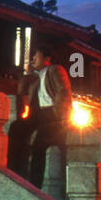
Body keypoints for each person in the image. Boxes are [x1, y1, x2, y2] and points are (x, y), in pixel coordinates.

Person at [7, 44, 72, 190]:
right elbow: (21, 90)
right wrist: (28, 74)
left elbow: (63, 93)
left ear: (47, 59)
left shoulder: (55, 70)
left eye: (37, 55)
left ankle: (34, 186)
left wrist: (60, 116)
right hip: (38, 115)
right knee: (16, 127)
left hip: (53, 115)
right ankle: (13, 170)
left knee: (39, 145)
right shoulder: (36, 76)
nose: (34, 58)